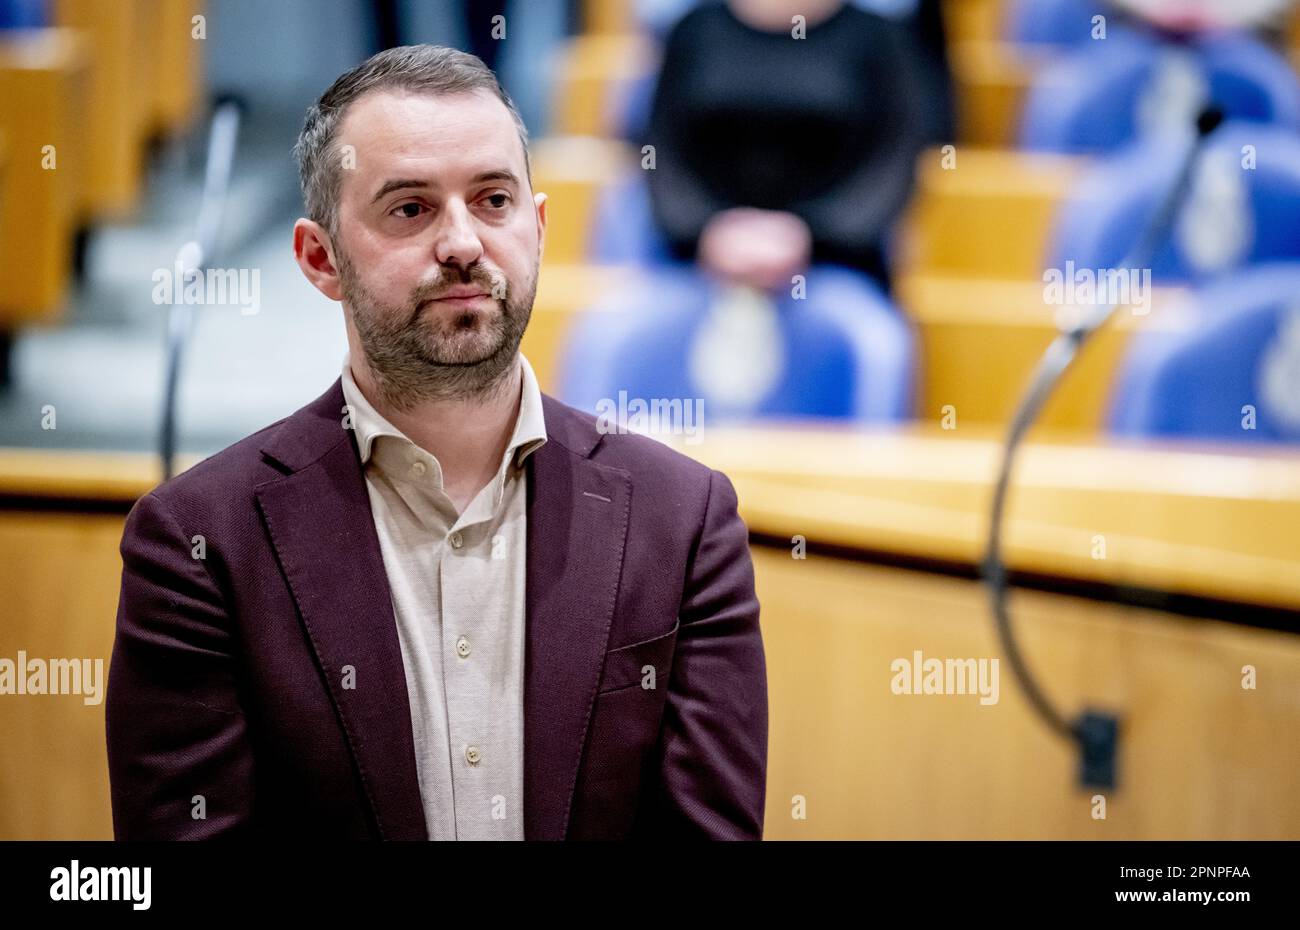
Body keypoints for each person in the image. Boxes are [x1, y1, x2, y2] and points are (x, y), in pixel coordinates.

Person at [106, 45, 768, 840]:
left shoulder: (686, 520)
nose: (462, 243)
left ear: (539, 226)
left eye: (493, 201)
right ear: (321, 259)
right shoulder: (198, 543)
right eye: (410, 209)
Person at [646, 0, 926, 293]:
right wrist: (710, 231)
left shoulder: (877, 36)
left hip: (835, 267)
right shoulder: (696, 30)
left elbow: (892, 161)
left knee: (877, 338)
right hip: (697, 264)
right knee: (615, 334)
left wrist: (806, 235)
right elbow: (660, 153)